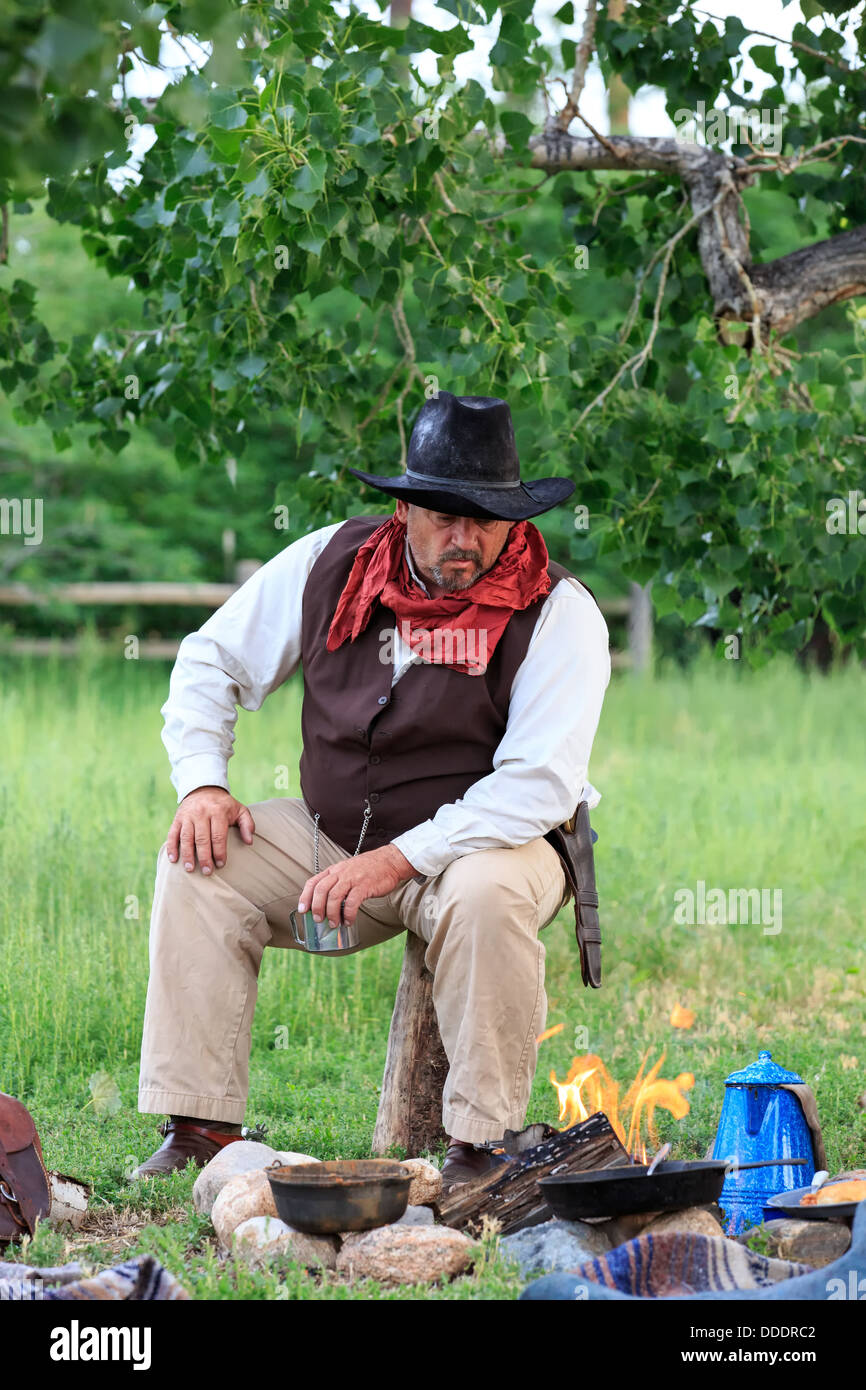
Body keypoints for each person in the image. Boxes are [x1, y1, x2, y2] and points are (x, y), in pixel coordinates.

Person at [132, 391, 611, 1187]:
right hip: (332, 831)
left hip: (491, 846)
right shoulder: (329, 561)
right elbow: (209, 661)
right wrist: (203, 787)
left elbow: (538, 785)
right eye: (442, 515)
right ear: (402, 507)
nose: (464, 539)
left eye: (487, 518)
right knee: (198, 861)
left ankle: (483, 1148)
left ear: (517, 520)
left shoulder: (560, 612)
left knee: (486, 894)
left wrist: (395, 860)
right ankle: (202, 1127)